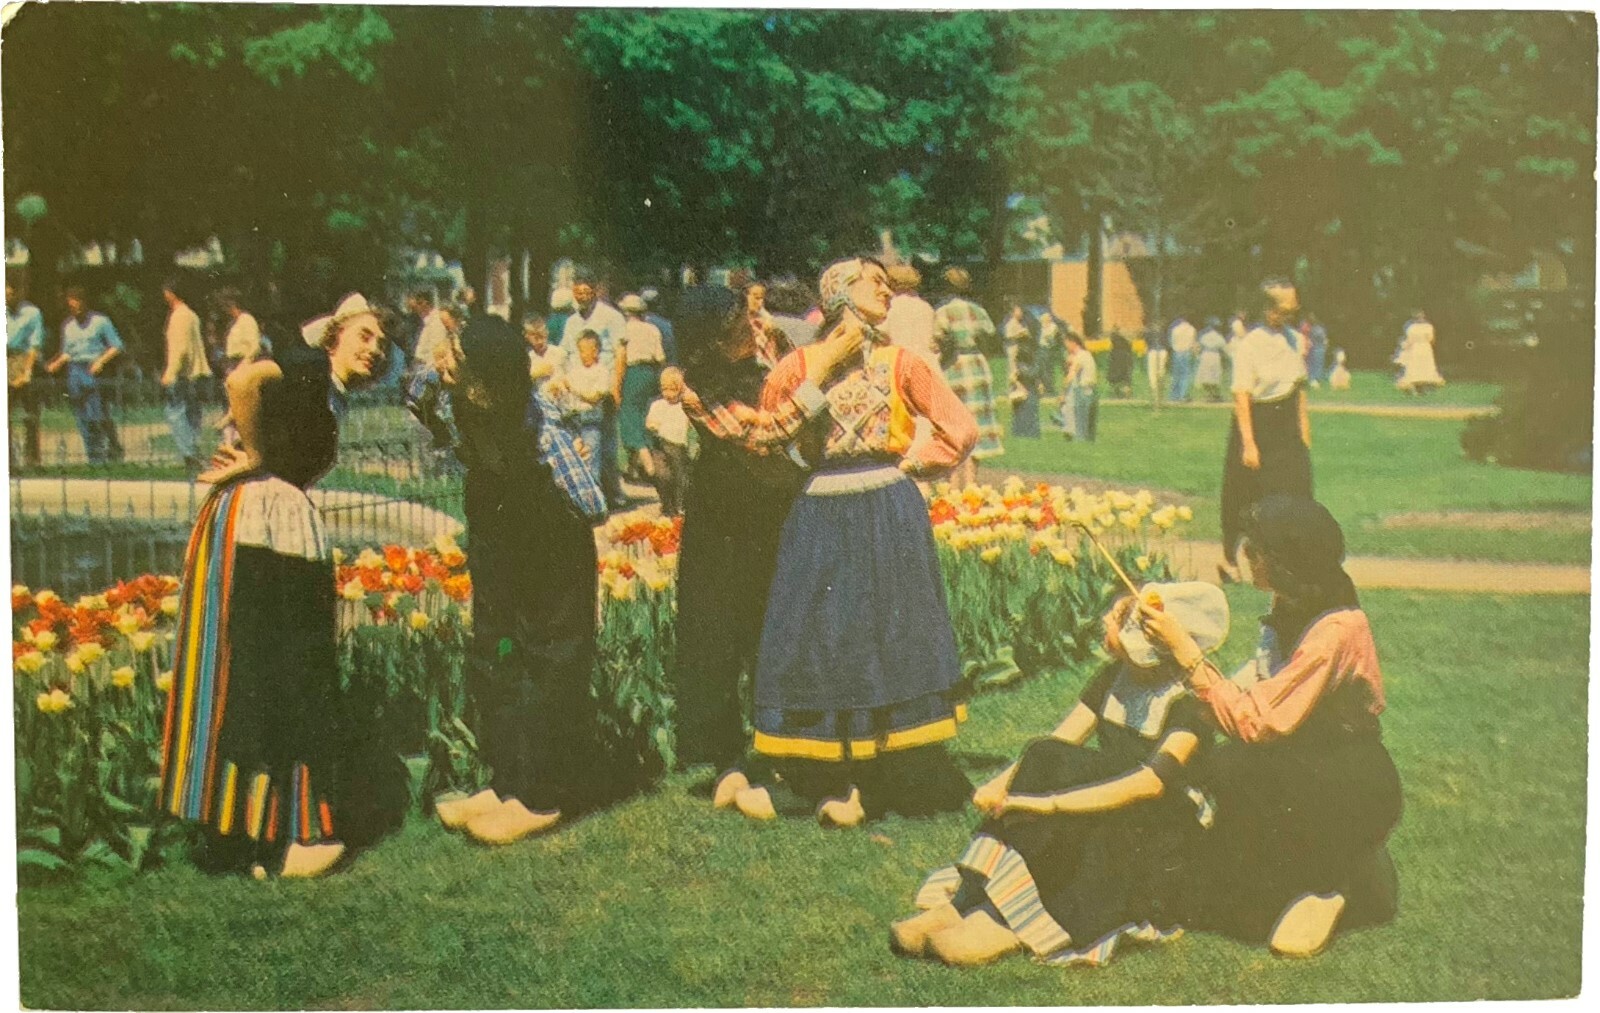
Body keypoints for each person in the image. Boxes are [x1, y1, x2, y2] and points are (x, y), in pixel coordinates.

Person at [740, 256, 978, 827]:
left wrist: (911, 466)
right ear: (840, 293)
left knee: (883, 633)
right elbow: (764, 437)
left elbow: (960, 428)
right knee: (828, 635)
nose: (887, 288)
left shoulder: (901, 363)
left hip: (880, 505)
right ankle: (829, 777)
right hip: (825, 511)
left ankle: (879, 776)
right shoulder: (800, 365)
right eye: (873, 281)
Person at [161, 292, 385, 880]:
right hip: (262, 525)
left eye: (380, 343)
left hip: (270, 523)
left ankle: (254, 835)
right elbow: (244, 380)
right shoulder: (308, 367)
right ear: (333, 336)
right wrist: (258, 453)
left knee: (265, 670)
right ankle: (272, 837)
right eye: (363, 336)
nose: (374, 349)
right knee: (270, 669)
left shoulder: (324, 388)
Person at [891, 583, 1230, 968]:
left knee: (1075, 806)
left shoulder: (1188, 704)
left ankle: (1009, 923)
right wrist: (1002, 784)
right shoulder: (1114, 676)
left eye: (1120, 619)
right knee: (1046, 754)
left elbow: (1147, 785)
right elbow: (1060, 739)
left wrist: (1049, 804)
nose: (1106, 620)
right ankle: (971, 898)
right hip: (1111, 805)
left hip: (1157, 831)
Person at [1136, 496, 1401, 957]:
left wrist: (1187, 656)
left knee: (1240, 772)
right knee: (1225, 783)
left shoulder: (1334, 630)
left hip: (1342, 778)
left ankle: (1339, 880)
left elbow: (1259, 721)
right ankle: (1304, 872)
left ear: (1286, 562)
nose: (1245, 555)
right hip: (1303, 757)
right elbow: (1264, 678)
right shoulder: (1294, 602)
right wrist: (1196, 690)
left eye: (1255, 550)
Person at [428, 311, 610, 844]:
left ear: (488, 374)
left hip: (552, 550)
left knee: (548, 659)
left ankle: (542, 794)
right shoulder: (466, 403)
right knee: (498, 651)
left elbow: (591, 503)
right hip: (502, 543)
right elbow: (416, 388)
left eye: (459, 357)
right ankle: (506, 779)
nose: (448, 363)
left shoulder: (539, 426)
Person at [672, 286, 846, 809]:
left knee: (777, 629)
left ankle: (780, 748)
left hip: (771, 513)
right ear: (711, 344)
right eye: (738, 326)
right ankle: (728, 757)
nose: (753, 327)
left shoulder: (764, 349)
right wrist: (815, 385)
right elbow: (763, 436)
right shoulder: (700, 387)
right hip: (724, 523)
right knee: (721, 633)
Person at [1218, 278, 1312, 584]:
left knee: (1295, 493)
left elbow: (1298, 390)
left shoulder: (1294, 340)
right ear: (1268, 309)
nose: (1291, 313)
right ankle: (1231, 560)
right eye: (1286, 308)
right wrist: (1249, 443)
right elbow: (1242, 396)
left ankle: (1289, 563)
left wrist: (1304, 434)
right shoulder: (1250, 345)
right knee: (1245, 497)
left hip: (1285, 425)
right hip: (1256, 423)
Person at [561, 272, 629, 508]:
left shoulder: (611, 316)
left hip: (604, 385)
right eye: (577, 292)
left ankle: (612, 493)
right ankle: (593, 493)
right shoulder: (571, 322)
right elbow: (567, 355)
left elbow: (621, 353)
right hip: (579, 390)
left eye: (586, 292)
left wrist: (616, 387)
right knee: (587, 445)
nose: (581, 297)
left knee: (607, 444)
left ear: (595, 291)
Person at [932, 267, 1003, 487]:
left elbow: (937, 339)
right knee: (976, 424)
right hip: (977, 364)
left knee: (955, 426)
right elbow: (990, 334)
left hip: (954, 365)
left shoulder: (942, 312)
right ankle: (972, 482)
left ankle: (954, 482)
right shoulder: (977, 310)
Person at [45, 286, 124, 465]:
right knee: (82, 417)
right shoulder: (68, 326)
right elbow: (67, 352)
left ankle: (111, 448)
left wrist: (101, 361)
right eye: (71, 307)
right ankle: (94, 458)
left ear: (85, 303)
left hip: (93, 368)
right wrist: (56, 364)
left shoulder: (100, 321)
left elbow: (116, 346)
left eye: (78, 305)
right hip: (75, 371)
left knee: (97, 414)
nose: (75, 310)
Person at [161, 278, 213, 472]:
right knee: (192, 413)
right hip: (196, 371)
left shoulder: (179, 316)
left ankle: (190, 454)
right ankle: (194, 450)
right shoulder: (191, 314)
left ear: (170, 293)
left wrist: (170, 373)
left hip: (183, 373)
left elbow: (180, 348)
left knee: (175, 413)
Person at [618, 293, 667, 481]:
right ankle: (632, 469)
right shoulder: (652, 329)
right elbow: (661, 357)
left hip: (632, 372)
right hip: (650, 373)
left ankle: (649, 467)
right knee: (642, 416)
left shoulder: (625, 329)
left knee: (629, 417)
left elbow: (621, 357)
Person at [560, 331, 612, 486]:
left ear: (595, 351)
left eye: (584, 350)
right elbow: (564, 384)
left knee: (590, 460)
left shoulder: (601, 371)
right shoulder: (576, 371)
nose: (581, 354)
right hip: (573, 419)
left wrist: (573, 388)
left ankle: (594, 500)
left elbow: (595, 397)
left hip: (590, 420)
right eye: (579, 350)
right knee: (574, 459)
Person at [7, 280, 45, 469]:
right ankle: (8, 460)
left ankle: (32, 459)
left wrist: (27, 371)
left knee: (30, 415)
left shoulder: (32, 313)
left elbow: (35, 345)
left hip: (25, 359)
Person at [645, 366, 691, 517]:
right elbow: (650, 422)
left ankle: (679, 507)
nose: (668, 394)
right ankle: (666, 505)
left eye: (673, 390)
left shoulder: (684, 406)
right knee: (663, 476)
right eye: (665, 389)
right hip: (660, 446)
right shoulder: (658, 405)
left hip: (679, 448)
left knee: (680, 479)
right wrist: (653, 426)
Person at [882, 264, 938, 369]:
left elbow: (881, 333)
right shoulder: (926, 307)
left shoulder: (889, 306)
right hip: (926, 363)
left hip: (899, 362)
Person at [1394, 310, 1444, 395]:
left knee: (1416, 367)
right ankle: (1421, 387)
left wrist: (1405, 347)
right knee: (1425, 367)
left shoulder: (1412, 327)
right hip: (1425, 348)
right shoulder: (1428, 327)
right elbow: (1431, 339)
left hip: (1415, 348)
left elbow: (1409, 339)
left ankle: (1418, 387)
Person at [1060, 330, 1098, 442]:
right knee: (1087, 425)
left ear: (1073, 343)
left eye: (1066, 344)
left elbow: (1070, 376)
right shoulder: (1087, 354)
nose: (1066, 347)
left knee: (1078, 422)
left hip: (1082, 391)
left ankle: (1076, 439)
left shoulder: (1080, 356)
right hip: (1091, 390)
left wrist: (1062, 394)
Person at [1010, 316, 1041, 439]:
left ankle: (1022, 433)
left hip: (1025, 382)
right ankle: (1029, 433)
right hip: (1028, 383)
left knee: (1023, 411)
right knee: (1029, 411)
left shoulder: (1020, 352)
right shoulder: (1029, 351)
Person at [219, 289, 263, 375]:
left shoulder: (247, 320)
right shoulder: (234, 323)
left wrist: (245, 363)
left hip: (243, 363)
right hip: (232, 362)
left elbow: (254, 346)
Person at [524, 314, 566, 385]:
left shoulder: (559, 353)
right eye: (536, 338)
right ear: (527, 337)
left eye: (542, 337)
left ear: (547, 332)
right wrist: (534, 374)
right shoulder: (526, 359)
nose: (540, 342)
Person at [1195, 317, 1228, 402]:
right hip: (1215, 355)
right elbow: (1224, 348)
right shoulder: (1219, 336)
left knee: (1205, 376)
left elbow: (1198, 346)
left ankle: (1211, 394)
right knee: (1214, 375)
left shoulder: (1203, 335)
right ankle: (1214, 394)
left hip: (1206, 355)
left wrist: (1197, 355)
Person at [1168, 315, 1198, 402]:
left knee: (1175, 374)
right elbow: (1193, 342)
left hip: (1177, 352)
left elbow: (1172, 341)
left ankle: (1173, 395)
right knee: (1185, 375)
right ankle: (1182, 394)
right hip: (1186, 352)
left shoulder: (1175, 329)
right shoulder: (1192, 329)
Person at [1036, 310, 1064, 398]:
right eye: (1045, 319)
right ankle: (1043, 389)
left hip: (1049, 350)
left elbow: (1051, 337)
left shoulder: (1053, 327)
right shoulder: (1040, 327)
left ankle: (1050, 389)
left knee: (1048, 370)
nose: (1047, 320)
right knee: (1042, 370)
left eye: (1048, 318)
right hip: (1041, 349)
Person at [1145, 320, 1171, 407]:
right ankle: (1159, 394)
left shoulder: (1149, 333)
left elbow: (1147, 342)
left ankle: (1155, 392)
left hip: (1152, 351)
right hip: (1162, 351)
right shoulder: (1163, 333)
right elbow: (1167, 344)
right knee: (1161, 373)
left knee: (1152, 374)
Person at [1106, 330, 1134, 398]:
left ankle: (1116, 393)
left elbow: (1111, 355)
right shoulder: (1125, 343)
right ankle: (1127, 394)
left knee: (1115, 379)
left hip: (1117, 362)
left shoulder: (1115, 344)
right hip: (1124, 362)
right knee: (1125, 378)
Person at [1304, 313, 1328, 388]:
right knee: (1315, 364)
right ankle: (1314, 380)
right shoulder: (1316, 328)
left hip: (1316, 348)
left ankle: (1314, 379)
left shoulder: (1315, 328)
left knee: (1315, 364)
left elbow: (1324, 339)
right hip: (1316, 348)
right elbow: (1324, 339)